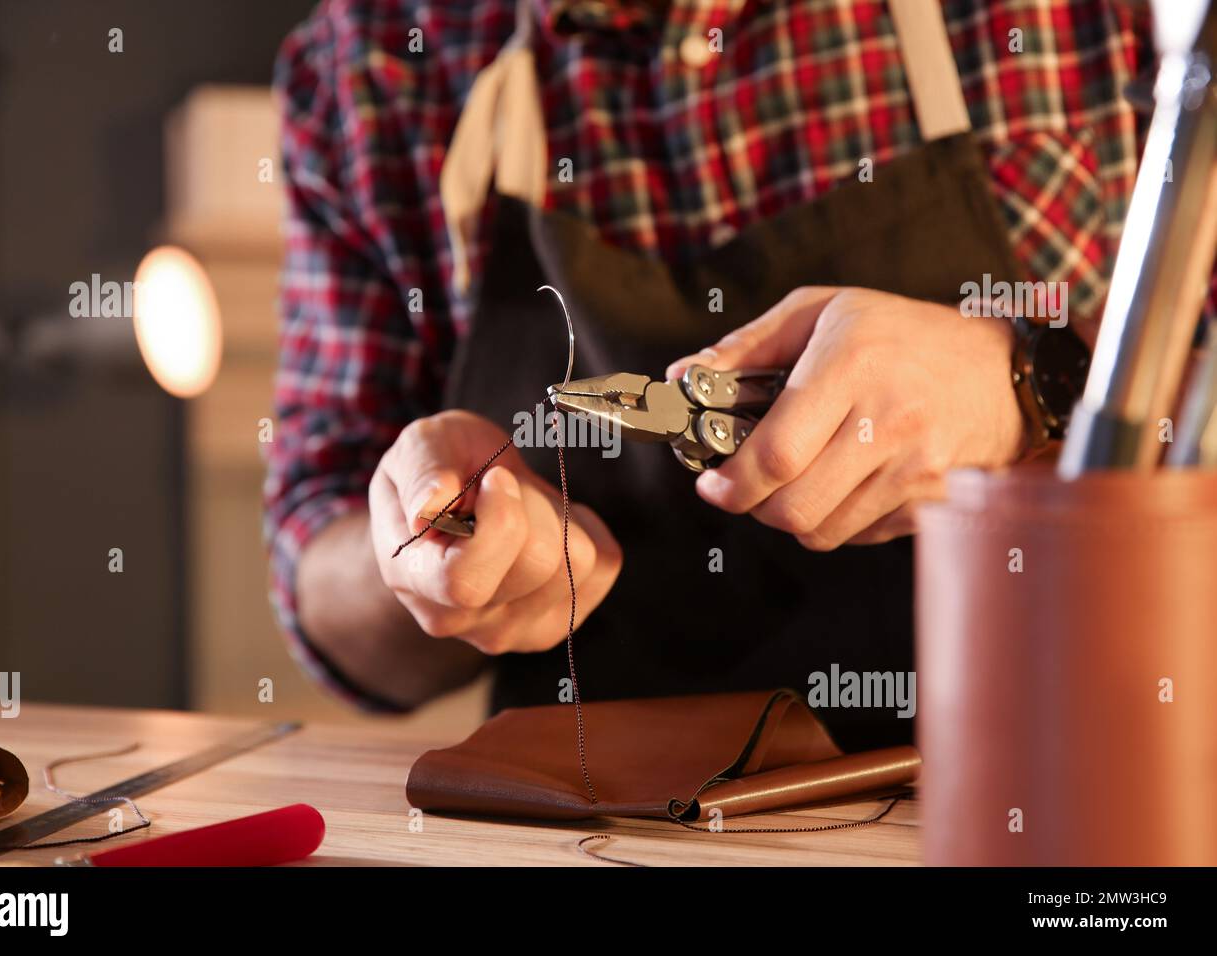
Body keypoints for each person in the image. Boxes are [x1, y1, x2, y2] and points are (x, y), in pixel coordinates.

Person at [264, 0, 1158, 749]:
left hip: (1053, 807)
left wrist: (1037, 390)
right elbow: (322, 554)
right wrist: (422, 557)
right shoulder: (367, 63)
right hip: (593, 829)